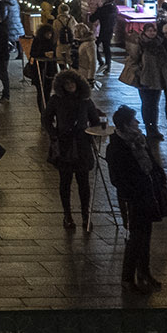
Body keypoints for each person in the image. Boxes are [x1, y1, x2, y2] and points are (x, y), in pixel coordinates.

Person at [105, 106, 167, 291]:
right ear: (125, 124)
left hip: (148, 194)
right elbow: (116, 178)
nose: (138, 123)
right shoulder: (116, 147)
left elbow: (151, 162)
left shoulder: (139, 139)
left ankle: (144, 272)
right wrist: (133, 190)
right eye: (134, 120)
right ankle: (127, 277)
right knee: (136, 238)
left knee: (146, 235)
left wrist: (159, 178)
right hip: (133, 198)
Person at [43, 69, 104, 232]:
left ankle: (86, 215)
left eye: (72, 83)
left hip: (82, 144)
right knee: (65, 182)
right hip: (64, 144)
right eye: (67, 83)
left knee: (83, 183)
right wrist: (54, 134)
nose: (70, 86)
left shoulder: (85, 101)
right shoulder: (56, 100)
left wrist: (93, 133)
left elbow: (95, 121)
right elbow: (46, 119)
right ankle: (67, 215)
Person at [126, 23, 167, 139]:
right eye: (149, 31)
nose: (152, 33)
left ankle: (154, 128)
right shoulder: (140, 44)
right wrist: (139, 72)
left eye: (154, 31)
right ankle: (148, 128)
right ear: (145, 32)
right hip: (144, 79)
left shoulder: (159, 44)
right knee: (147, 104)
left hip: (157, 79)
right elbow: (133, 60)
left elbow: (164, 60)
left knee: (154, 105)